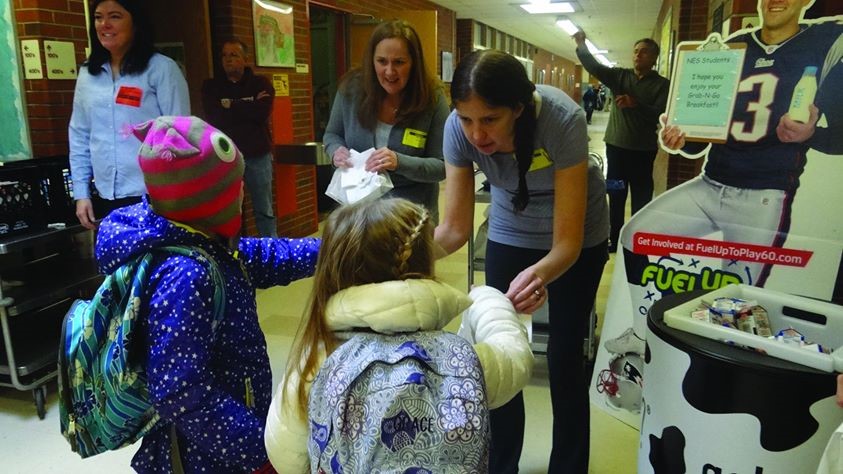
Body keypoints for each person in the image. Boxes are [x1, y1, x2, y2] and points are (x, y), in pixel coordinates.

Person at [95, 115, 320, 473]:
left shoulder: (201, 243)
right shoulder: (186, 276)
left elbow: (265, 257)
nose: (244, 191)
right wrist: (259, 455)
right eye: (237, 185)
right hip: (204, 455)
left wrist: (332, 249)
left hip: (217, 440)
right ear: (212, 202)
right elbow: (180, 393)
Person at [618, 1, 842, 340]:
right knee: (635, 237)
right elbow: (699, 140)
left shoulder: (826, 41)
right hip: (710, 184)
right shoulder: (733, 46)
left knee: (739, 301)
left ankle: (736, 369)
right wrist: (682, 137)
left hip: (764, 195)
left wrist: (814, 134)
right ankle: (641, 334)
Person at [434, 49, 610, 474]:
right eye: (467, 119)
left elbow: (565, 244)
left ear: (518, 107)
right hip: (511, 231)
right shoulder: (457, 131)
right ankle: (500, 466)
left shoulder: (562, 118)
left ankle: (568, 466)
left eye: (489, 120)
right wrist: (401, 260)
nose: (477, 134)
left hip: (578, 239)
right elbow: (455, 230)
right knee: (500, 354)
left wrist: (539, 275)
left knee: (565, 357)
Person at [264, 198, 534, 472]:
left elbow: (284, 453)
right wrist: (487, 298)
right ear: (426, 266)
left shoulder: (318, 362)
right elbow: (515, 357)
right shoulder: (460, 360)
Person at [68, 0, 189, 230]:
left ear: (136, 23)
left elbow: (179, 134)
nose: (104, 24)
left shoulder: (162, 69)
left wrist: (176, 195)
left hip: (154, 197)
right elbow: (79, 136)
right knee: (117, 266)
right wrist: (81, 193)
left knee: (154, 265)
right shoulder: (87, 74)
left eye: (115, 16)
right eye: (98, 17)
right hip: (104, 196)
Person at [323, 20, 449, 221]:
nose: (390, 72)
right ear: (371, 61)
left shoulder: (432, 98)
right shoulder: (351, 90)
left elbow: (442, 167)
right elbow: (332, 135)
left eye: (399, 62)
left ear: (413, 63)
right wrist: (335, 151)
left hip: (411, 216)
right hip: (358, 214)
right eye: (382, 61)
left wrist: (399, 162)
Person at [573, 31, 669, 253]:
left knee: (641, 196)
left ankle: (638, 240)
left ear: (654, 58)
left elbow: (661, 115)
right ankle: (615, 239)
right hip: (616, 149)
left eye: (644, 52)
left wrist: (636, 104)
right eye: (636, 51)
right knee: (616, 194)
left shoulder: (662, 85)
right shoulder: (620, 77)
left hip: (643, 152)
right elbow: (594, 68)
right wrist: (581, 44)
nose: (638, 55)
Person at [202, 39, 278, 237]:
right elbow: (215, 117)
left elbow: (261, 113)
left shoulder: (261, 83)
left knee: (265, 210)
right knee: (229, 211)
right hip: (226, 157)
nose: (228, 60)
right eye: (225, 55)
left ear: (245, 59)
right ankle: (234, 254)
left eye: (234, 55)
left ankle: (271, 255)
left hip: (257, 156)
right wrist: (248, 105)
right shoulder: (211, 87)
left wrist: (231, 105)